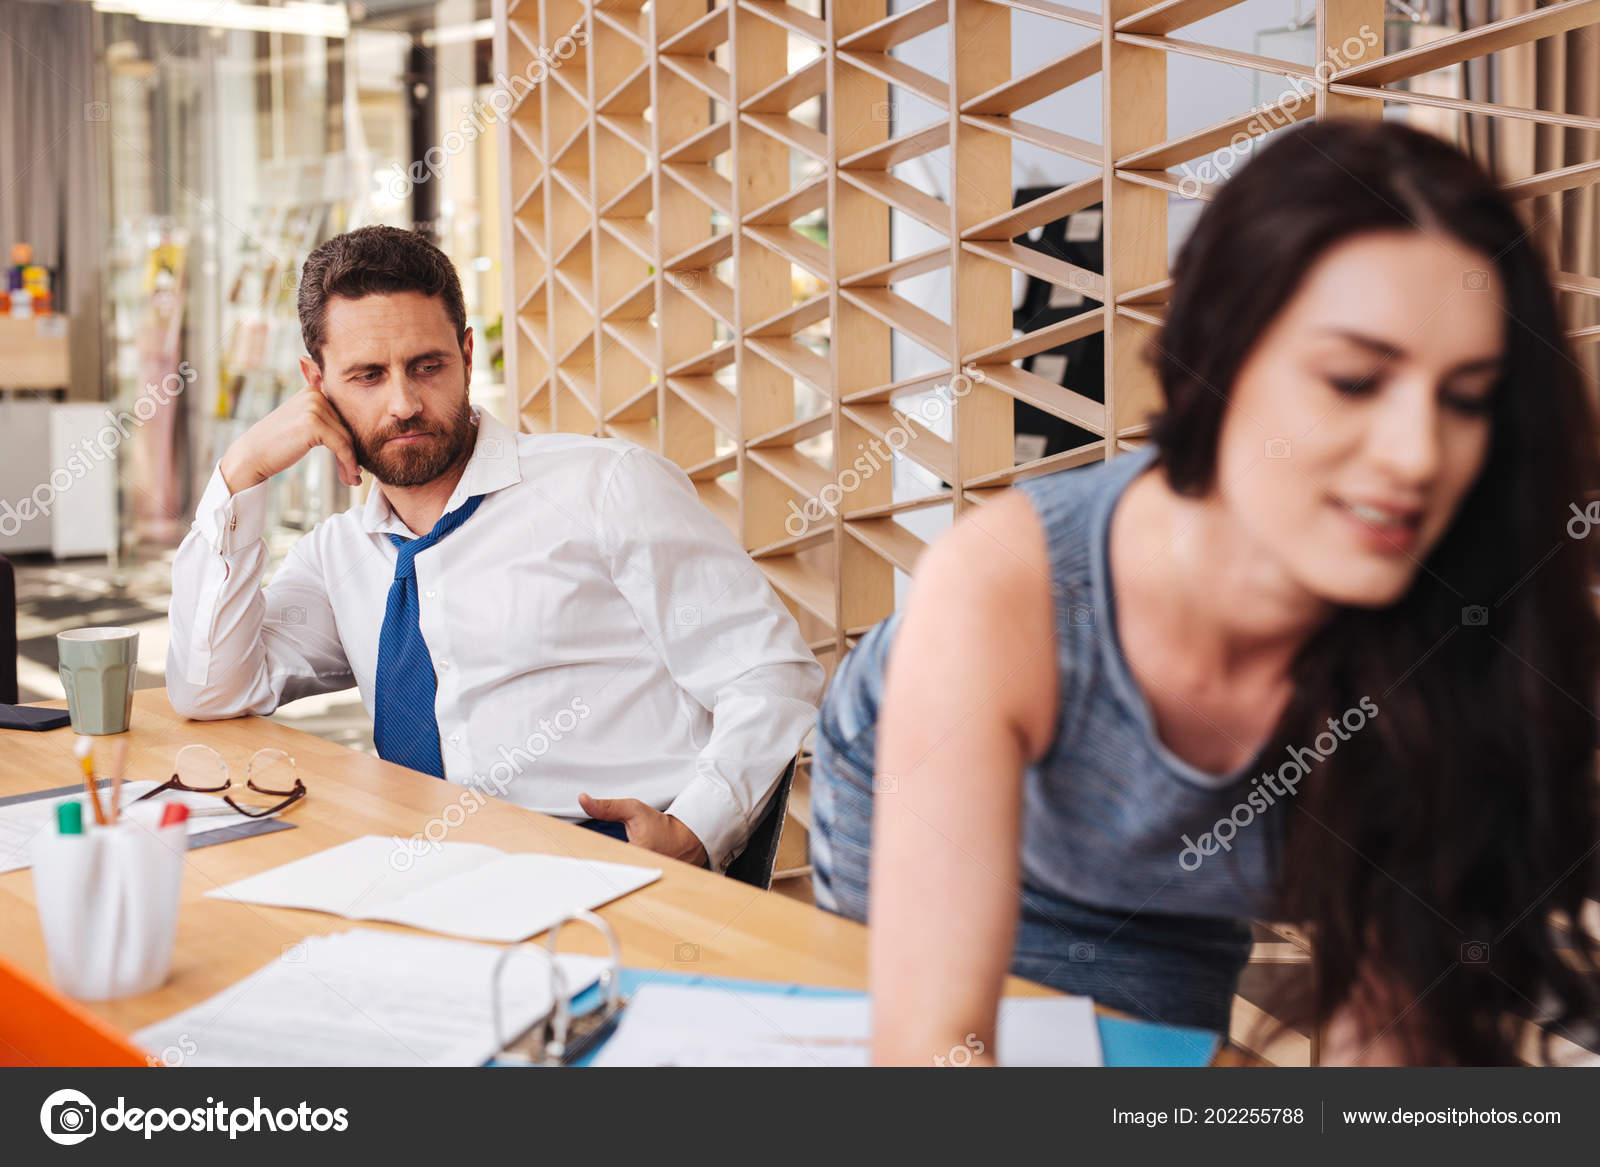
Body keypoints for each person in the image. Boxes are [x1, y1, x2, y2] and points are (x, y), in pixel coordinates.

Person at [809, 119, 1600, 1065]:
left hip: (1173, 889)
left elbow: (1394, 1044)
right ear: (1219, 359)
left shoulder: (1455, 625)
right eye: (1354, 381)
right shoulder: (1002, 588)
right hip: (928, 794)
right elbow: (936, 1046)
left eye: (1465, 397)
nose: (1417, 456)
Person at [167, 226, 822, 871]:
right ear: (316, 385)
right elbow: (209, 688)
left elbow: (769, 672)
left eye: (428, 366)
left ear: (468, 356)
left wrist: (696, 830)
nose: (404, 403)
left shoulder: (606, 487)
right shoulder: (338, 556)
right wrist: (240, 473)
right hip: (423, 871)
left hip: (607, 867)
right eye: (367, 375)